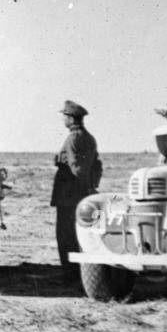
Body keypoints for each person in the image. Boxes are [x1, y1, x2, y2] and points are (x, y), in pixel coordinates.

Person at [51, 100, 99, 279]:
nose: (63, 119)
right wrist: (90, 187)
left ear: (71, 118)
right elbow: (96, 165)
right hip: (81, 193)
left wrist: (79, 187)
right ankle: (77, 273)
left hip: (68, 194)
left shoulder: (73, 138)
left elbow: (76, 168)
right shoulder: (89, 137)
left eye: (65, 116)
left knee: (65, 234)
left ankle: (69, 274)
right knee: (78, 234)